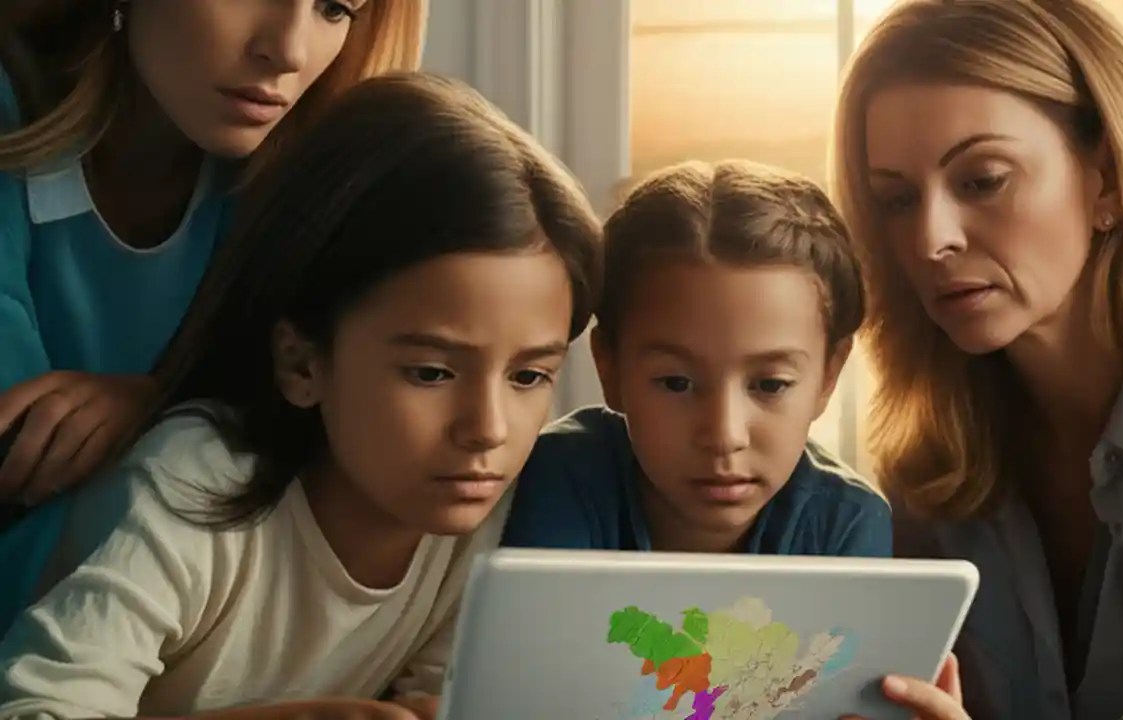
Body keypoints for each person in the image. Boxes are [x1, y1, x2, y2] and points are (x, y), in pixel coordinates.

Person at [0, 71, 601, 718]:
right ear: (301, 362)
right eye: (431, 372)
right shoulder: (186, 490)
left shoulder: (500, 514)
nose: (488, 429)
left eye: (529, 377)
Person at [831, 0, 1123, 718]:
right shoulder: (932, 469)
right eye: (897, 199)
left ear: (1105, 172)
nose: (930, 240)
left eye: (982, 180)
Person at [0, 0, 425, 504]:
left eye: (335, 9)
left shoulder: (296, 185)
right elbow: (19, 454)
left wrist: (159, 407)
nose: (290, 51)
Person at [503, 160, 891, 558]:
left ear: (829, 375)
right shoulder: (557, 478)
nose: (724, 436)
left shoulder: (847, 524)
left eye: (771, 385)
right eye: (676, 383)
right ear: (610, 367)